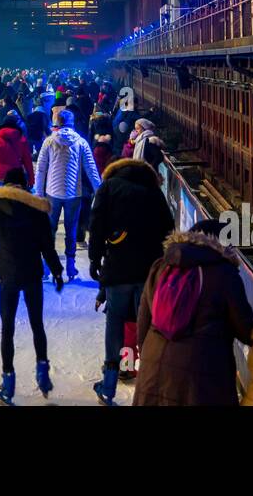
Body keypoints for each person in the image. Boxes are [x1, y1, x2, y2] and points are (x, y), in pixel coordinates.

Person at [132, 226, 253, 406]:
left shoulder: (160, 267)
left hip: (154, 370)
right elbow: (245, 330)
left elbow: (143, 320)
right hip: (202, 377)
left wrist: (148, 360)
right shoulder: (224, 273)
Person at [87, 157, 175, 404]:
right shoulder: (153, 190)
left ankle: (109, 383)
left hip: (118, 267)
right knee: (146, 325)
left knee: (115, 322)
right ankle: (150, 382)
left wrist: (95, 260)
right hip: (148, 269)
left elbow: (96, 225)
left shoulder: (109, 187)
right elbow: (169, 227)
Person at [0, 167, 62, 403]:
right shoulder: (37, 208)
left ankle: (8, 381)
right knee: (37, 324)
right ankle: (43, 374)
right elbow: (47, 246)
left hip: (8, 274)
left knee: (8, 329)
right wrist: (57, 271)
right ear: (24, 185)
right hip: (32, 273)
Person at [33, 108, 101, 280]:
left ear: (58, 122)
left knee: (49, 230)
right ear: (72, 123)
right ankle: (71, 267)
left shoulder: (49, 141)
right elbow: (91, 169)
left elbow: (41, 169)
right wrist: (100, 191)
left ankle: (47, 267)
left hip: (52, 193)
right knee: (71, 230)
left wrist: (39, 193)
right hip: (73, 194)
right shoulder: (81, 142)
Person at [0, 114, 35, 190]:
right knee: (16, 201)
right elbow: (28, 162)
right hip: (16, 177)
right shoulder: (22, 140)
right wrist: (31, 180)